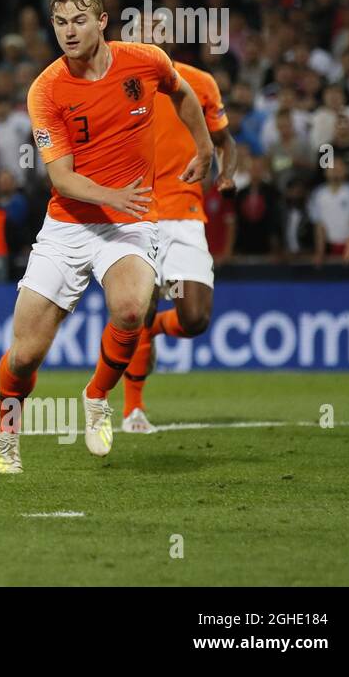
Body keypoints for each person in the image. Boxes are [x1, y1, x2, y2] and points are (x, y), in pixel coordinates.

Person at [0, 0, 213, 474]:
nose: (68, 31)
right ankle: (7, 434)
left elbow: (181, 93)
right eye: (59, 21)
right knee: (25, 355)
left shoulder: (146, 61)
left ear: (102, 21)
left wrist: (204, 147)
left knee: (132, 308)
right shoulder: (46, 90)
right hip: (69, 224)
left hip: (129, 222)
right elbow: (63, 180)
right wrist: (115, 194)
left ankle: (97, 397)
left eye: (78, 20)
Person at [121, 55, 237, 433]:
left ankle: (153, 331)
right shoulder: (118, 81)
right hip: (139, 213)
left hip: (186, 215)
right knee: (139, 307)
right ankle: (133, 410)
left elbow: (224, 142)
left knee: (195, 318)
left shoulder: (199, 82)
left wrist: (227, 172)